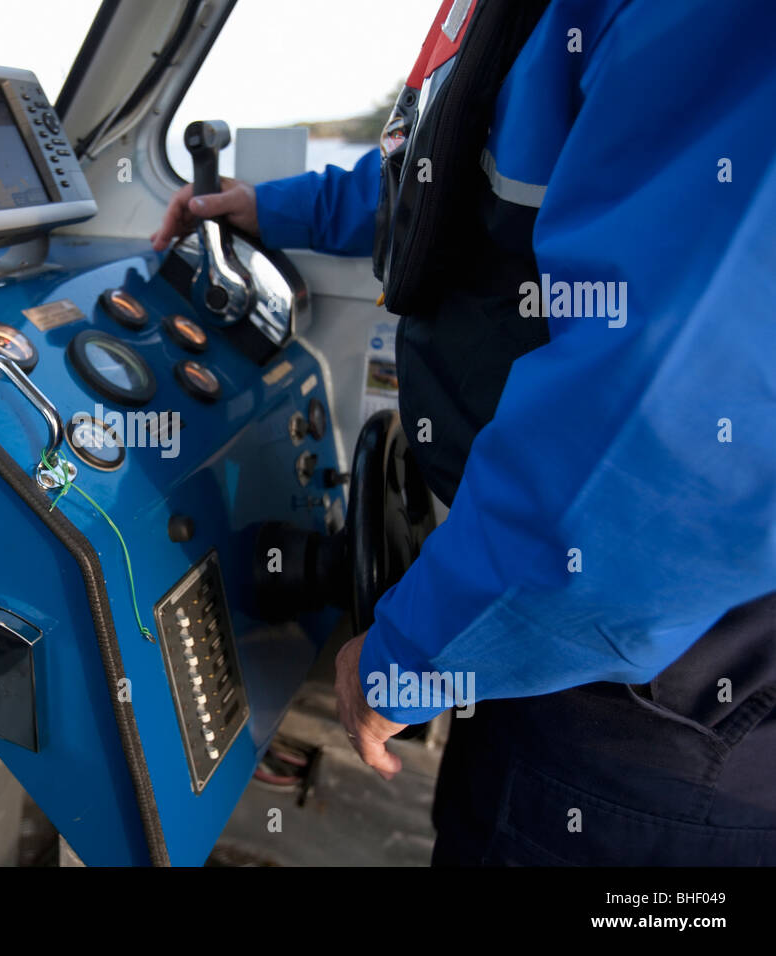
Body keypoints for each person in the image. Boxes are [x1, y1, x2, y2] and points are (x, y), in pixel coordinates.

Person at [152, 0, 776, 864]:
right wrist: (277, 208)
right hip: (569, 632)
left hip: (664, 690)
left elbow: (662, 428)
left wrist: (418, 653)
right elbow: (460, 176)